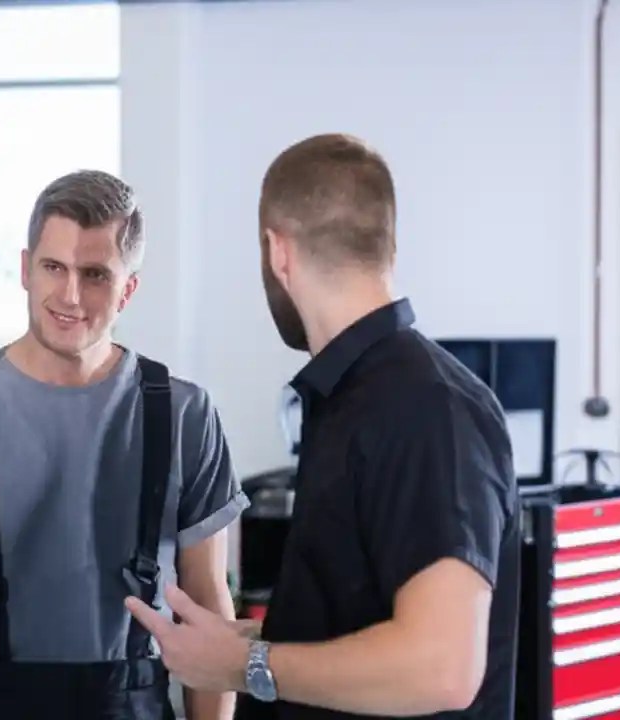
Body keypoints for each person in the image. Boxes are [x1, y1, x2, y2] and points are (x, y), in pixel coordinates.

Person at [127, 133, 521, 719]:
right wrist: (250, 645)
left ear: (277, 252)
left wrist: (246, 667)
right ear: (386, 245)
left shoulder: (426, 408)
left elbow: (441, 668)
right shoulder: (351, 399)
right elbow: (362, 623)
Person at [0, 169, 250, 720]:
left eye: (95, 274)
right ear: (26, 269)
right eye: (54, 268)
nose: (70, 296)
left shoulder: (185, 416)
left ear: (129, 287)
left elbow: (208, 604)